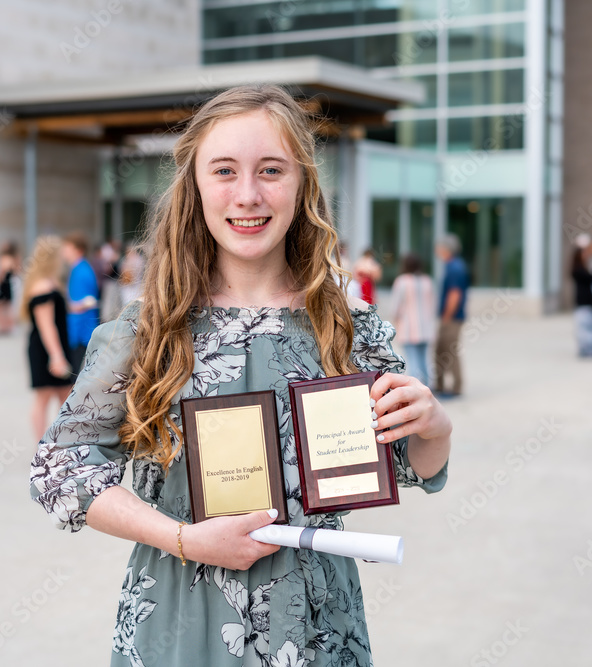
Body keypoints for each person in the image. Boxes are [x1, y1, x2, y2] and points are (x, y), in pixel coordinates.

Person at [29, 85, 452, 667]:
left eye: (271, 170)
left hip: (317, 626)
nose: (248, 194)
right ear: (195, 185)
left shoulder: (348, 325)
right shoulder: (146, 330)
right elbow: (60, 469)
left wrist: (435, 428)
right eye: (224, 170)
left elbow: (409, 464)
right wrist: (181, 537)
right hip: (182, 618)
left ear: (302, 184)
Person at [21, 236, 74, 441]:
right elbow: (46, 325)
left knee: (64, 395)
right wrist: (57, 356)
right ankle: (42, 446)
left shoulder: (49, 283)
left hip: (53, 346)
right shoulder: (42, 286)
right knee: (44, 398)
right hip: (46, 349)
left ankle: (60, 443)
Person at [433, 233, 470, 398]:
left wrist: (446, 317)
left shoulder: (454, 267)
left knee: (449, 351)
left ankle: (455, 387)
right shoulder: (453, 265)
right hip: (452, 318)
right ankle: (440, 385)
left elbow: (454, 295)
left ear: (445, 249)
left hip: (452, 319)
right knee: (441, 350)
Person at [391, 254, 435, 386]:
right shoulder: (427, 281)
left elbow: (395, 307)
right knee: (423, 360)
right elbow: (434, 304)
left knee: (413, 360)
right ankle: (427, 386)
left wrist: (395, 321)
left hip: (408, 327)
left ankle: (416, 388)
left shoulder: (401, 281)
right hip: (425, 327)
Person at [61, 233, 100, 375]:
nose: (63, 250)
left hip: (81, 332)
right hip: (79, 330)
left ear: (78, 250)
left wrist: (68, 306)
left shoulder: (82, 271)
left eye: (67, 247)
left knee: (78, 374)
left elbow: (88, 302)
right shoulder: (77, 269)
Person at [571, 237, 592, 358]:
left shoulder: (587, 268)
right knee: (585, 329)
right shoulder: (577, 270)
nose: (586, 255)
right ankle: (587, 350)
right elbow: (590, 278)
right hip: (583, 304)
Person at [0, 241, 20, 334]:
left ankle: (5, 326)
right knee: (7, 307)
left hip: (4, 285)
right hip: (8, 285)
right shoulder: (13, 259)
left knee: (1, 307)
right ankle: (8, 326)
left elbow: (1, 274)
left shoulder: (5, 259)